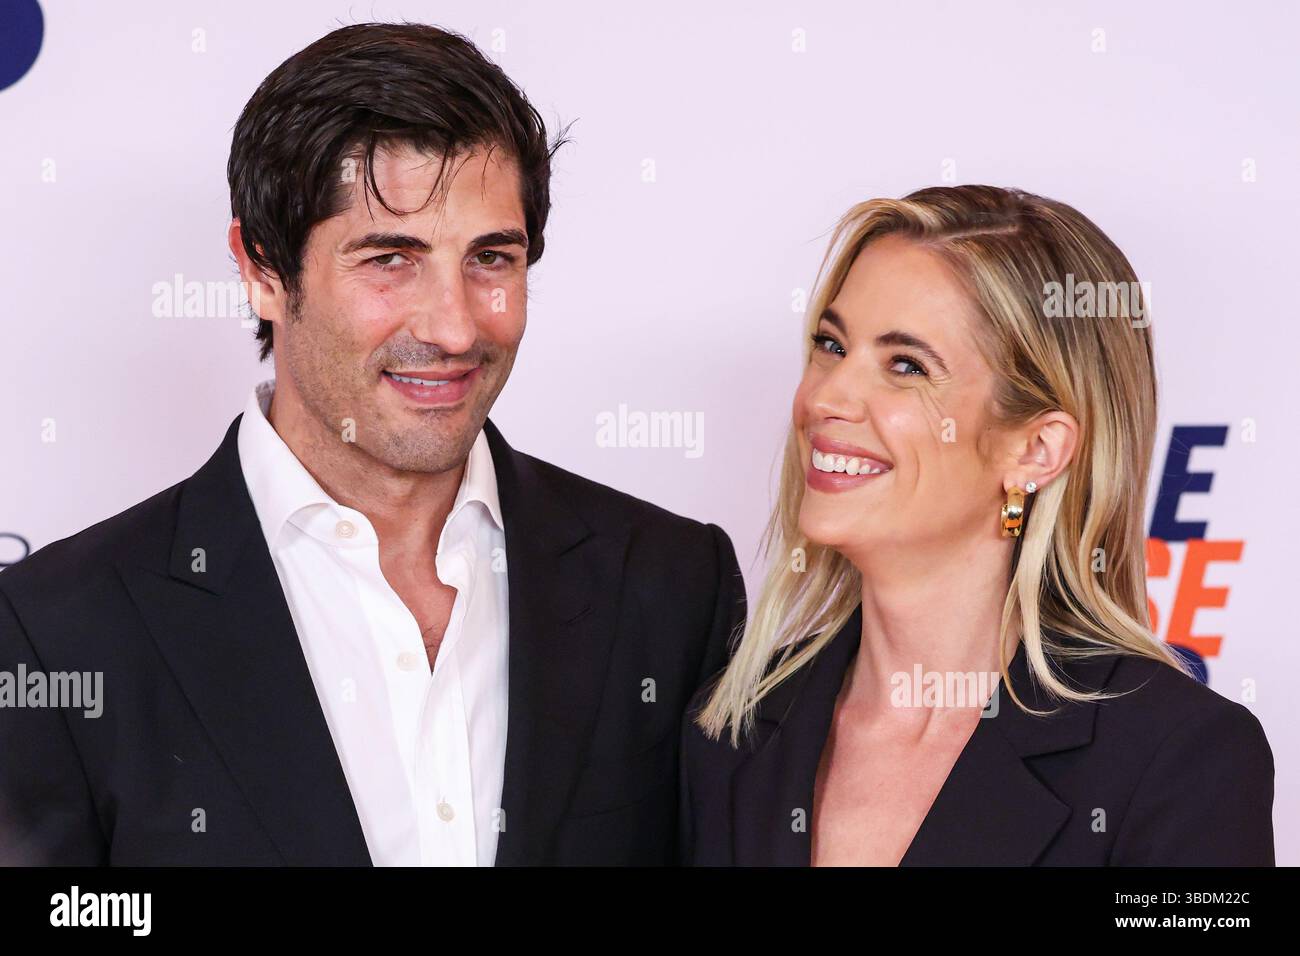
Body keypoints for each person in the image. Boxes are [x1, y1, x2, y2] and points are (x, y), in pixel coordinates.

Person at [0, 22, 745, 866]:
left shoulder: (670, 586)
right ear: (261, 269)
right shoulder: (57, 631)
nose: (455, 325)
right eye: (392, 258)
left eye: (491, 258)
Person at [680, 185, 1274, 866]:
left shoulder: (1176, 760)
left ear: (1036, 450)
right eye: (831, 344)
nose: (827, 397)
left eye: (906, 366)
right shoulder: (733, 731)